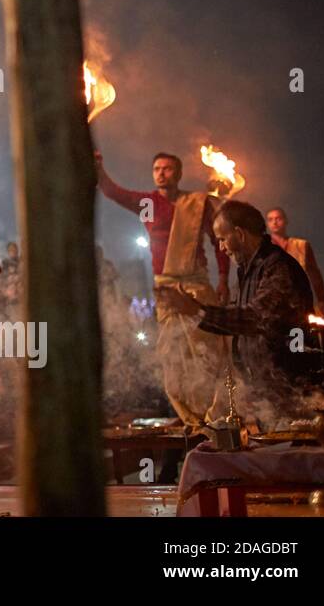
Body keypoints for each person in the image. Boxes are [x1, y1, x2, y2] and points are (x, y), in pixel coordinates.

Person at [96, 150, 228, 427]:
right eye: (157, 168)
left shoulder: (197, 203)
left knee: (209, 353)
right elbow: (111, 191)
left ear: (178, 174)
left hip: (196, 286)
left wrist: (224, 278)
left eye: (167, 168)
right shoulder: (148, 204)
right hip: (166, 290)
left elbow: (219, 241)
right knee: (173, 355)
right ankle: (191, 421)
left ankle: (216, 416)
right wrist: (97, 166)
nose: (161, 173)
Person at [170, 201, 316, 424]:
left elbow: (257, 318)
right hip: (267, 394)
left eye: (221, 238)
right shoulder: (249, 270)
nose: (220, 247)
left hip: (291, 392)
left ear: (239, 234)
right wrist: (198, 311)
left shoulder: (277, 267)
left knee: (291, 455)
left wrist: (199, 312)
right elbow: (238, 315)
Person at [265, 207, 324, 314]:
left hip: (298, 302)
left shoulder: (301, 245)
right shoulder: (263, 248)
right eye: (270, 219)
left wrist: (321, 300)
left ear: (286, 221)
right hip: (271, 303)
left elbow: (314, 274)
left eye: (278, 218)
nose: (274, 222)